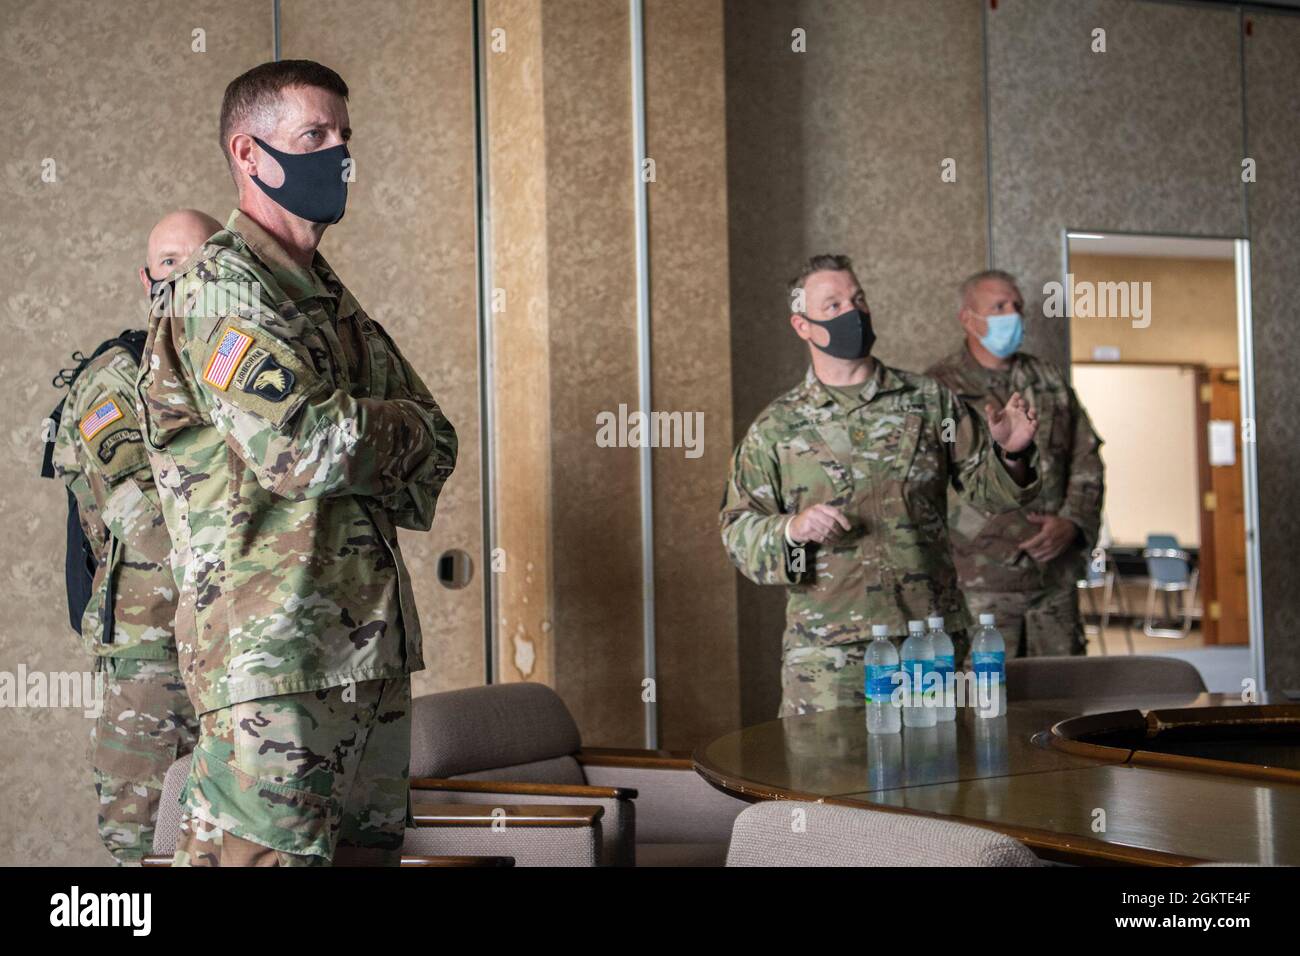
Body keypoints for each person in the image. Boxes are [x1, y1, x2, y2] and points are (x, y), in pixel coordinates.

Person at [136, 60, 458, 866]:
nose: (338, 154)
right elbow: (305, 447)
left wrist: (367, 429)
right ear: (249, 154)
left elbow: (440, 437)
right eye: (314, 136)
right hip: (271, 660)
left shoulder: (325, 295)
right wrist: (380, 428)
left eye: (344, 136)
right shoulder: (218, 288)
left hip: (366, 649)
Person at [720, 253, 1042, 717]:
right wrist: (793, 530)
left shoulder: (929, 401)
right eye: (832, 306)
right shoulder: (777, 427)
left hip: (928, 642)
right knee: (827, 785)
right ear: (802, 325)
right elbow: (737, 532)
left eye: (858, 299)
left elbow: (987, 493)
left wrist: (1011, 454)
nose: (852, 312)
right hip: (830, 655)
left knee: (937, 779)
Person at [47, 209, 220, 863]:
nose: (184, 278)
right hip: (154, 657)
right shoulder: (115, 382)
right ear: (146, 282)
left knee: (235, 844)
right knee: (147, 842)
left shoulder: (231, 373)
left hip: (237, 656)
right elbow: (145, 519)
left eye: (201, 263)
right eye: (170, 264)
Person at [927, 269, 1104, 658]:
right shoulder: (939, 390)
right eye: (1000, 306)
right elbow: (927, 480)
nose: (1013, 314)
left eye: (1017, 306)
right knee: (985, 702)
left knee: (1061, 703)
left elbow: (1086, 458)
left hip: (1052, 582)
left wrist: (1073, 522)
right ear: (968, 318)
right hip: (977, 583)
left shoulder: (1049, 380)